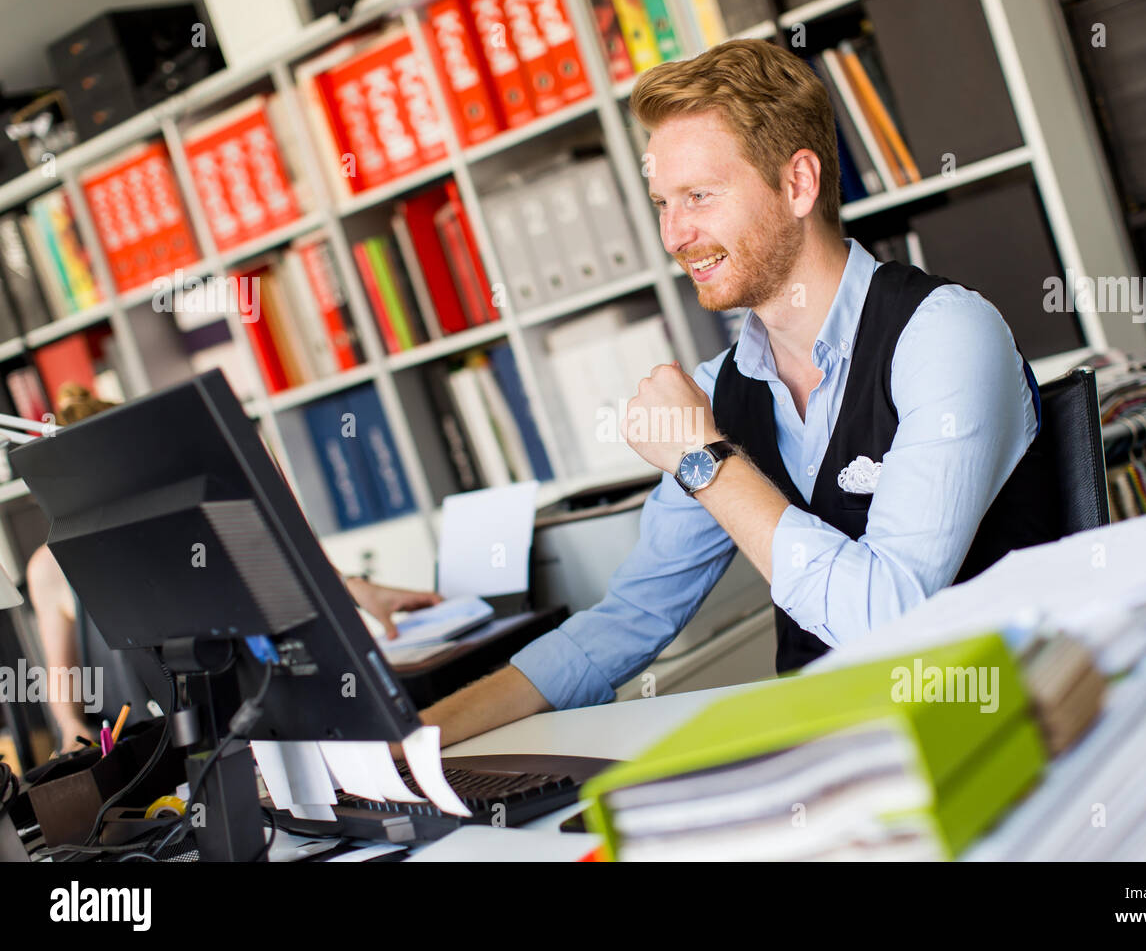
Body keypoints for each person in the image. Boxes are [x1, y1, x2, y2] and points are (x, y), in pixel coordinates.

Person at [411, 38, 1057, 748]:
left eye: (699, 197)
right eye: (663, 202)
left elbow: (889, 622)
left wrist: (705, 459)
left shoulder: (944, 335)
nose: (674, 234)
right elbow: (630, 620)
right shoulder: (721, 392)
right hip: (834, 761)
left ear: (798, 184)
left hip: (1006, 742)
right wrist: (416, 739)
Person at [25, 383, 442, 753]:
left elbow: (276, 563)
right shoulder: (48, 567)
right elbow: (63, 677)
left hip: (241, 732)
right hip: (145, 751)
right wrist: (70, 727)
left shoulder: (183, 526)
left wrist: (355, 588)